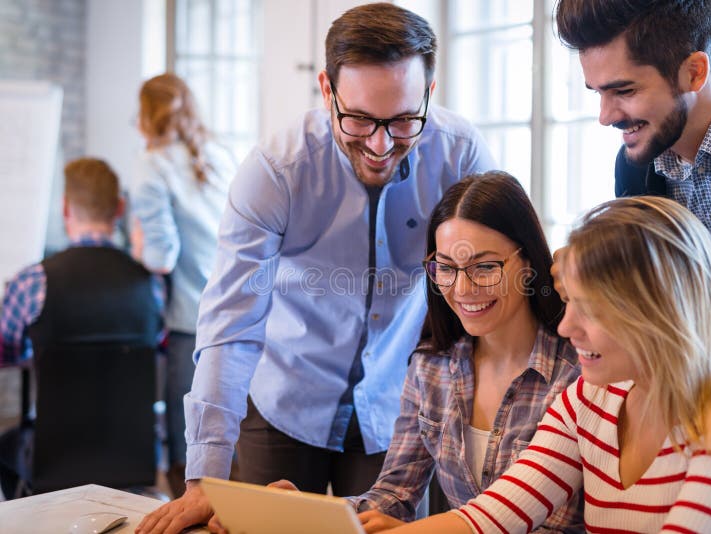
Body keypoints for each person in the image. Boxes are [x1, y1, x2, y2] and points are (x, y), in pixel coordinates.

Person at [136, 3, 494, 533]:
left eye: (401, 121)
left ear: (429, 93)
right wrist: (203, 475)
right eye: (360, 120)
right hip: (283, 398)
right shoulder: (277, 170)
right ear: (327, 90)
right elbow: (231, 323)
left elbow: (495, 290)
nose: (380, 145)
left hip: (396, 410)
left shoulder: (461, 156)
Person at [386, 196, 711, 534]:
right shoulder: (590, 399)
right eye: (568, 305)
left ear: (656, 310)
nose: (566, 328)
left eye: (591, 310)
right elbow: (488, 518)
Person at [272, 172, 584, 533]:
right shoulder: (431, 367)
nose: (462, 289)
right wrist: (310, 512)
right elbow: (394, 494)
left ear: (528, 263)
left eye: (484, 267)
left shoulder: (577, 373)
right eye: (446, 268)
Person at [550, 0, 711, 369]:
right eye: (597, 92)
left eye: (624, 91)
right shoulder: (634, 167)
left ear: (695, 72)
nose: (605, 117)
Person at [0, 157, 163, 498]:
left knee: (7, 444)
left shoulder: (34, 282)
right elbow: (156, 341)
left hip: (54, 462)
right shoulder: (151, 284)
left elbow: (9, 348)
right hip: (132, 461)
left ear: (65, 209)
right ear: (120, 208)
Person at [130, 72, 236, 497]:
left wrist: (137, 244)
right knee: (226, 435)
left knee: (187, 444)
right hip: (237, 314)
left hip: (188, 321)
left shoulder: (150, 165)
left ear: (145, 116)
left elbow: (160, 256)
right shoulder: (219, 154)